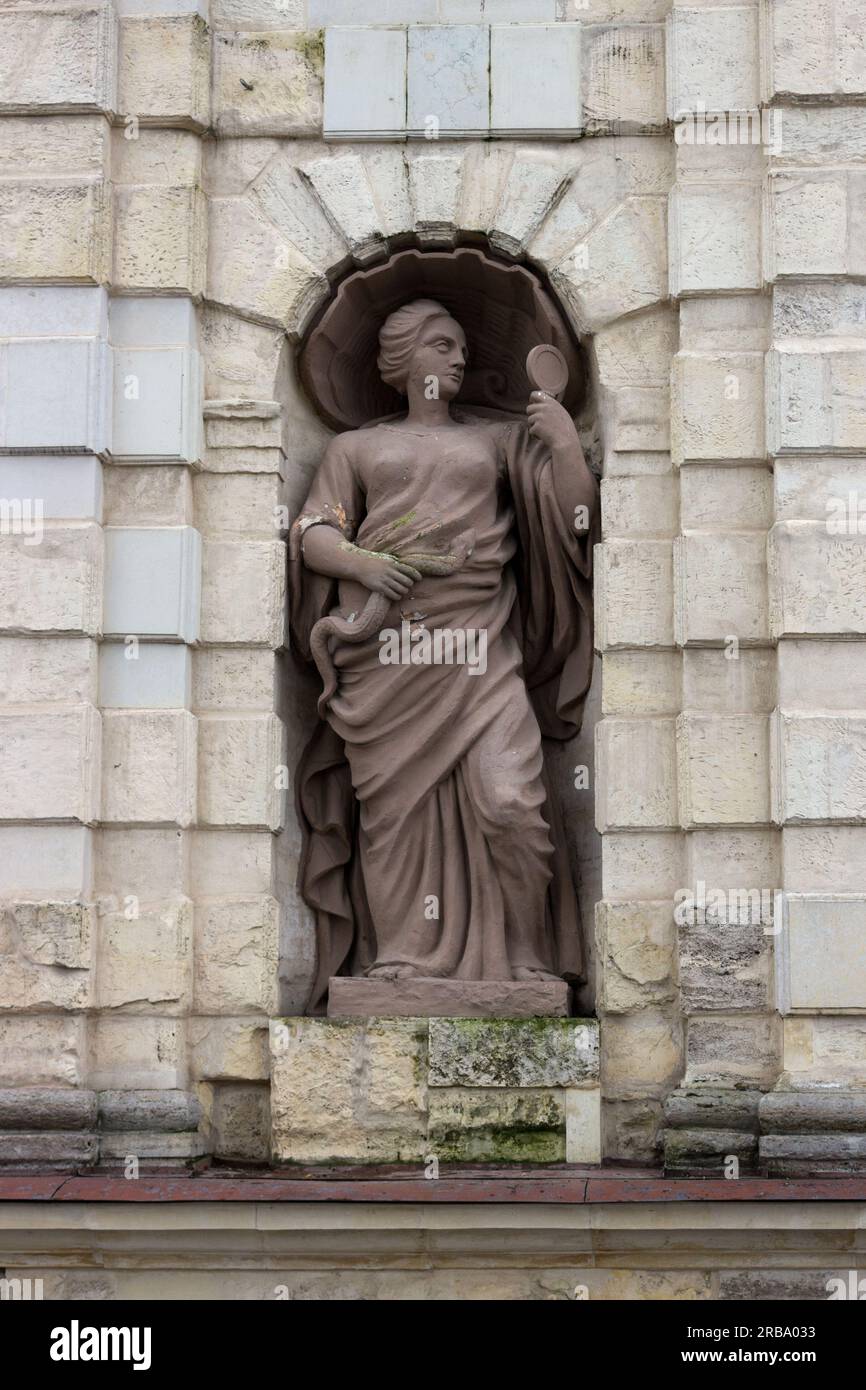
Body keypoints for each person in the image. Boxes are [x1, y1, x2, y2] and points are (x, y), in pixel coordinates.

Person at [290, 299, 597, 1011]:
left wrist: (564, 448)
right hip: (389, 657)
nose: (456, 358)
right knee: (396, 815)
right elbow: (312, 533)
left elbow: (576, 520)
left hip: (480, 651)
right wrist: (365, 566)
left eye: (460, 346)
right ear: (402, 363)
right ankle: (399, 956)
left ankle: (523, 956)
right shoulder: (354, 448)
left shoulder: (495, 441)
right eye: (440, 345)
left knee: (509, 799)